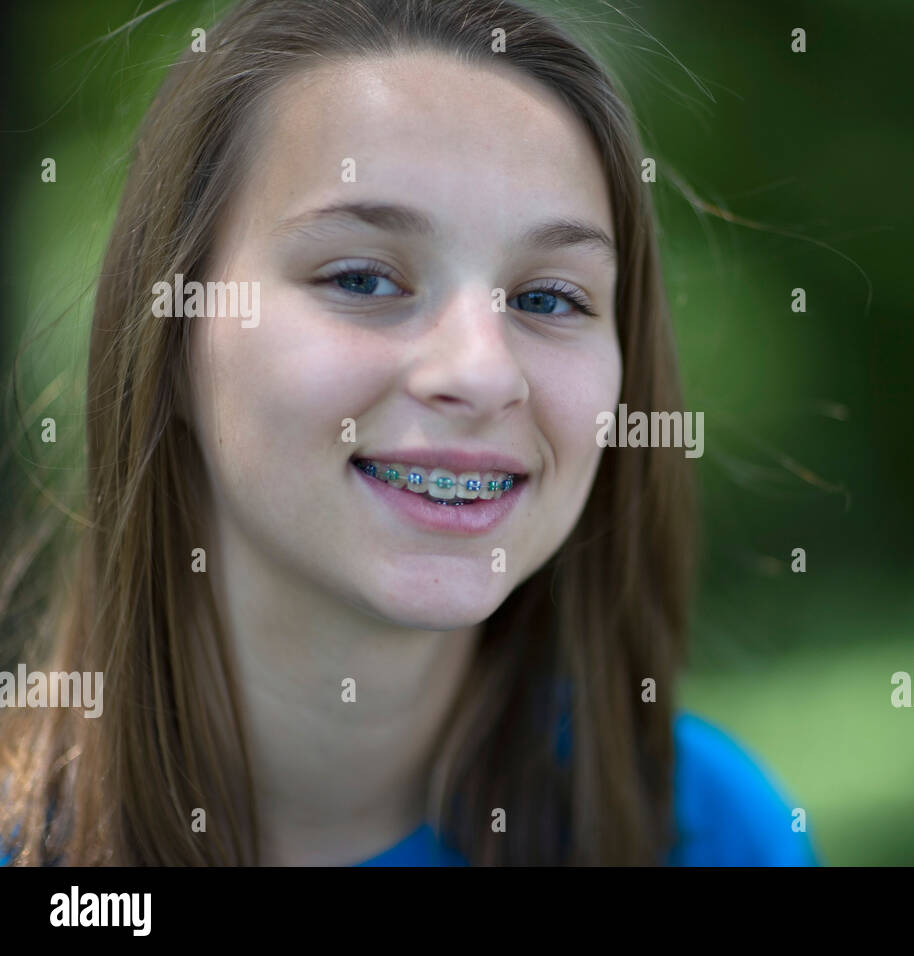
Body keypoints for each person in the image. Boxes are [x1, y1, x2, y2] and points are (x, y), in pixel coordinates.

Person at [0, 0, 818, 866]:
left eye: (547, 298)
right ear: (172, 339)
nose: (481, 372)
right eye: (362, 278)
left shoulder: (712, 832)